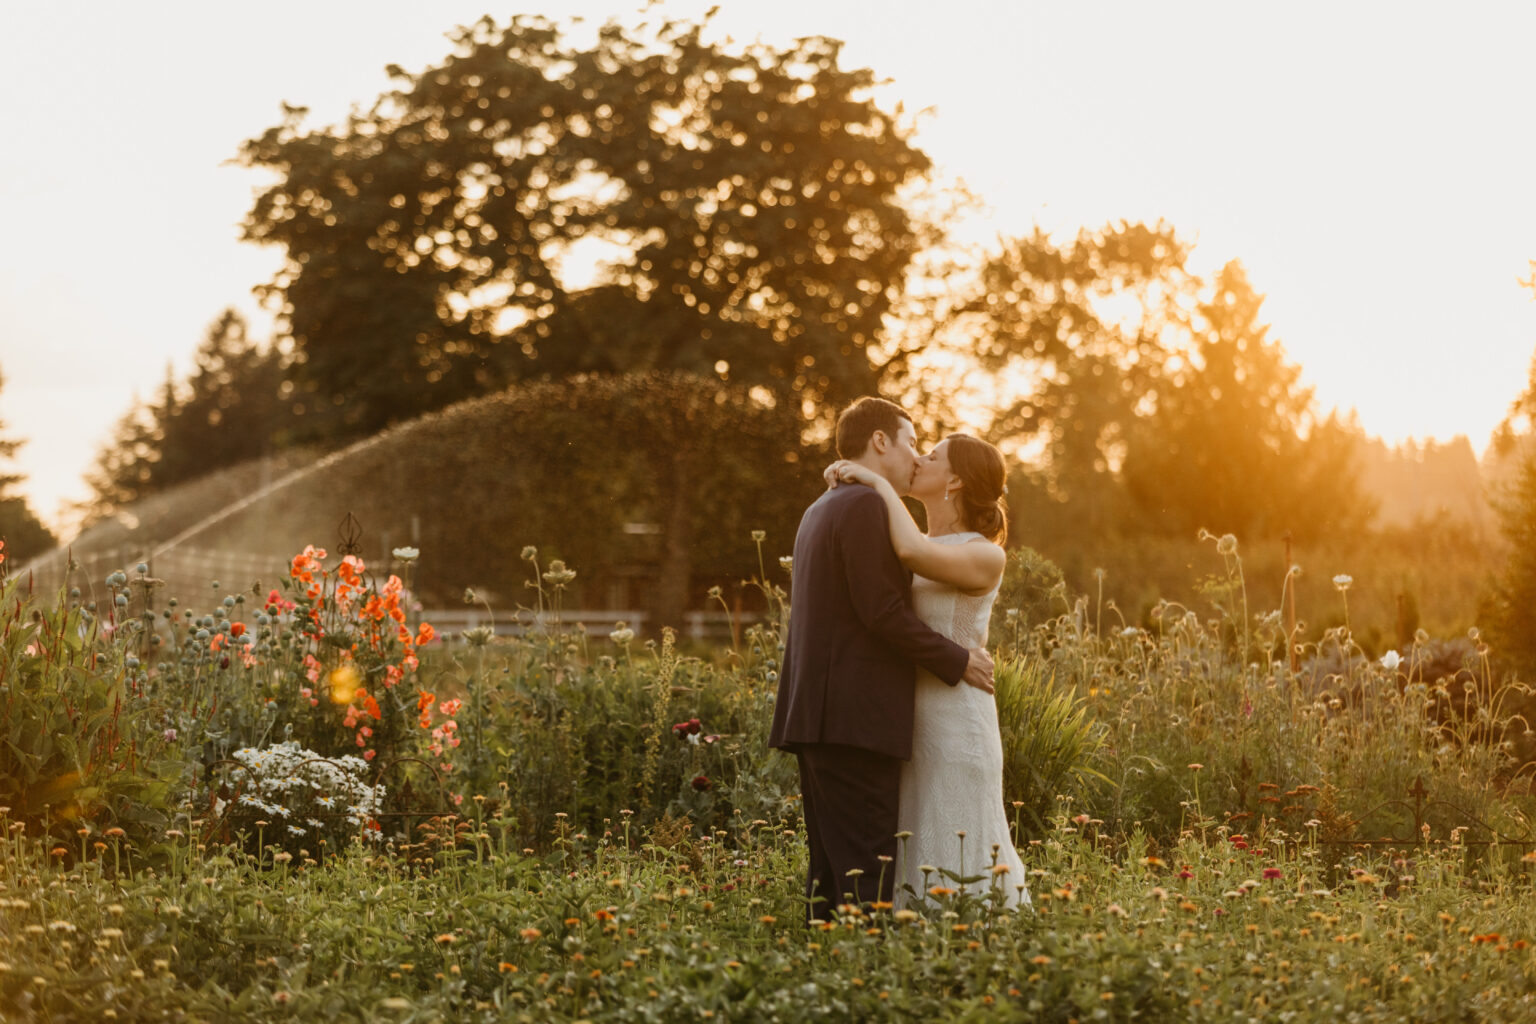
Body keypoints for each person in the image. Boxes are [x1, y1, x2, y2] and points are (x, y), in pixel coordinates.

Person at [768, 397, 996, 922]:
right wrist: (957, 660)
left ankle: (822, 986)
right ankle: (862, 990)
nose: (916, 457)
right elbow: (882, 612)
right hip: (855, 722)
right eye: (912, 443)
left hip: (818, 717)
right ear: (879, 442)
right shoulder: (867, 505)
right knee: (866, 881)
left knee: (829, 877)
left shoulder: (821, 505)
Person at [826, 432, 1031, 910]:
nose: (918, 458)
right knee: (912, 838)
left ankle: (976, 947)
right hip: (907, 717)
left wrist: (875, 481)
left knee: (957, 836)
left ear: (955, 480)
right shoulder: (907, 534)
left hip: (957, 717)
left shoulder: (984, 552)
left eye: (932, 456)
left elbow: (915, 553)